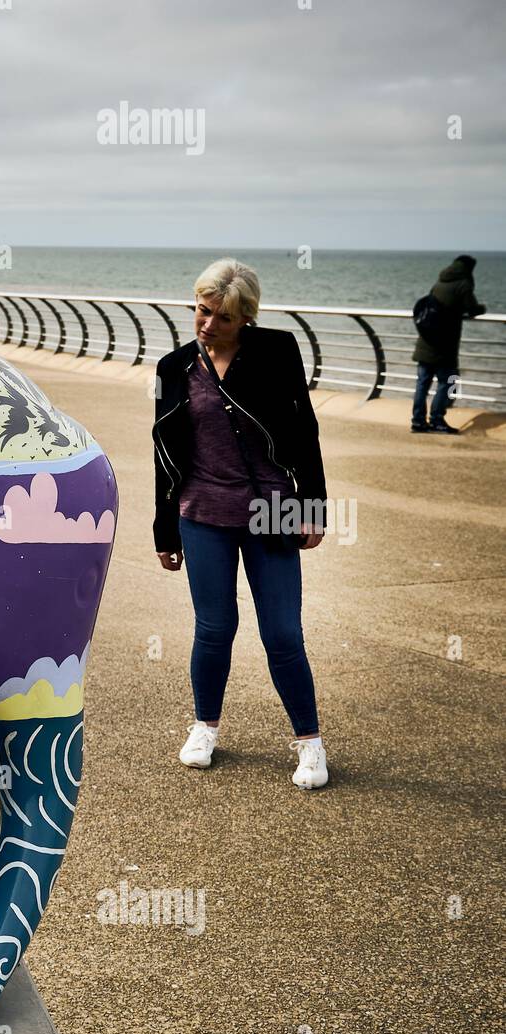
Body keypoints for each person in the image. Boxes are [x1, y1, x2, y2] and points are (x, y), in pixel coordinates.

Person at [153, 259, 330, 790]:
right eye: (202, 312)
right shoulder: (172, 368)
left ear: (245, 318)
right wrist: (165, 530)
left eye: (222, 318)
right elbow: (163, 453)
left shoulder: (277, 352)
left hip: (271, 511)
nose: (207, 326)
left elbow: (305, 431)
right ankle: (205, 726)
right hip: (201, 515)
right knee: (214, 628)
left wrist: (313, 507)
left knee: (282, 633)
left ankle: (310, 743)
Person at [412, 255, 485, 435]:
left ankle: (418, 421)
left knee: (422, 384)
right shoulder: (464, 284)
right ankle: (437, 419)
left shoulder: (439, 282)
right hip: (444, 345)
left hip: (426, 341)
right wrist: (482, 309)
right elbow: (471, 308)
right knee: (449, 381)